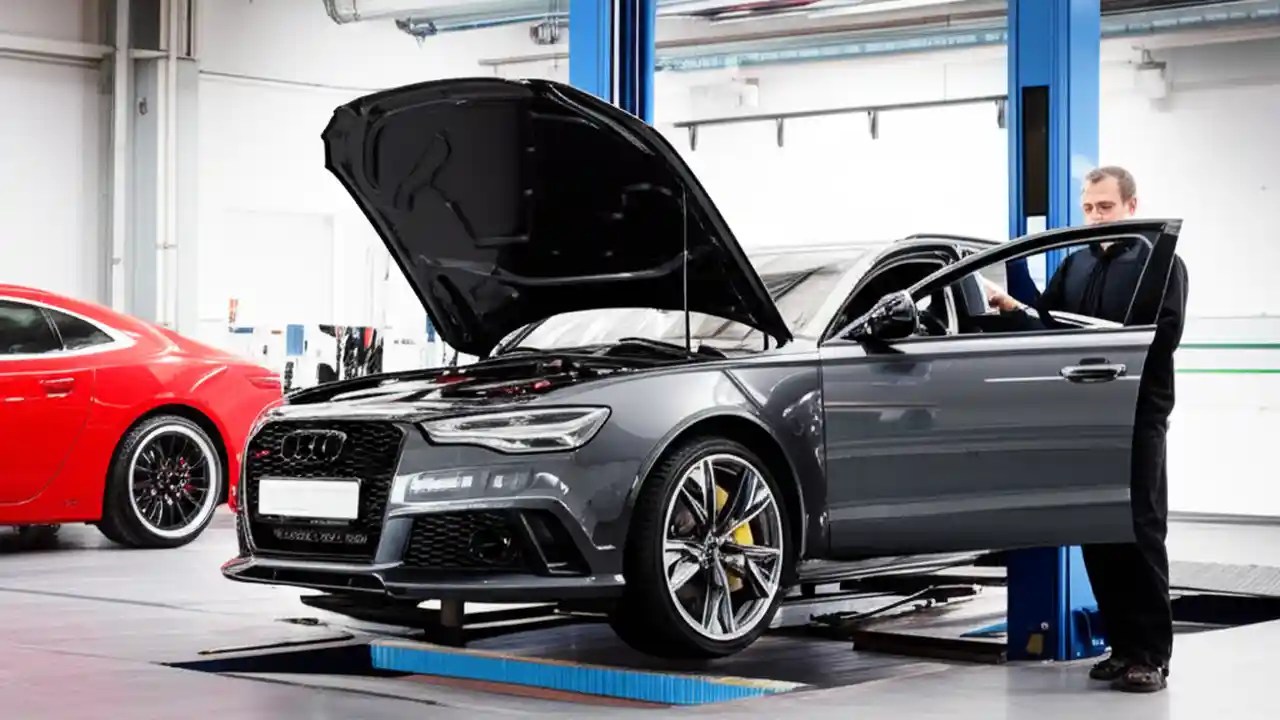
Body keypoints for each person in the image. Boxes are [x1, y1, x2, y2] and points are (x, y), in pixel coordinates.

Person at [986, 165, 1189, 693]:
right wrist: (1012, 308)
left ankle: (1151, 655)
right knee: (1098, 532)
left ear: (1131, 206)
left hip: (1135, 414)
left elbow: (1162, 337)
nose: (1096, 217)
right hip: (1082, 418)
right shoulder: (1073, 266)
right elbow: (1049, 328)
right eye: (1089, 208)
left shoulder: (1161, 265)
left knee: (1140, 530)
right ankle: (1122, 649)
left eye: (1106, 207)